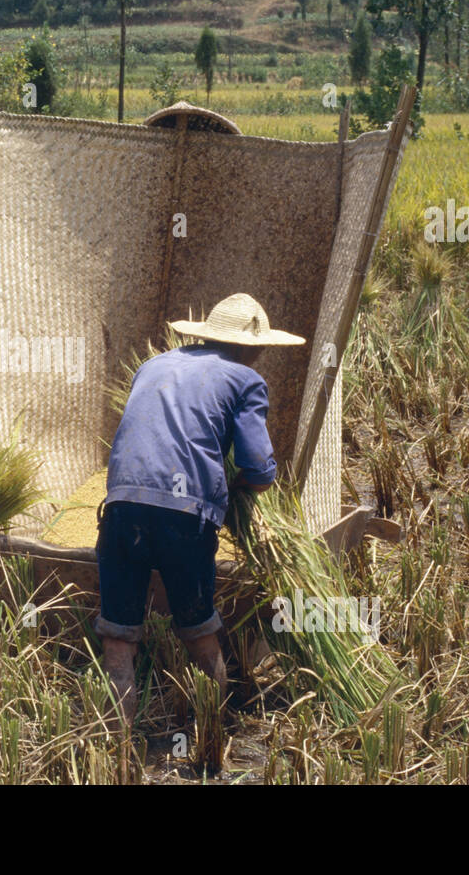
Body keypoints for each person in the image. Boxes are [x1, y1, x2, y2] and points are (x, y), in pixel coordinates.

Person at [96, 292, 305, 728]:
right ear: (255, 347)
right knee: (199, 632)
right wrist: (235, 488)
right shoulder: (245, 379)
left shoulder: (152, 366)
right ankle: (212, 739)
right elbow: (260, 470)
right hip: (184, 516)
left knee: (118, 642)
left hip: (120, 506)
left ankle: (114, 753)